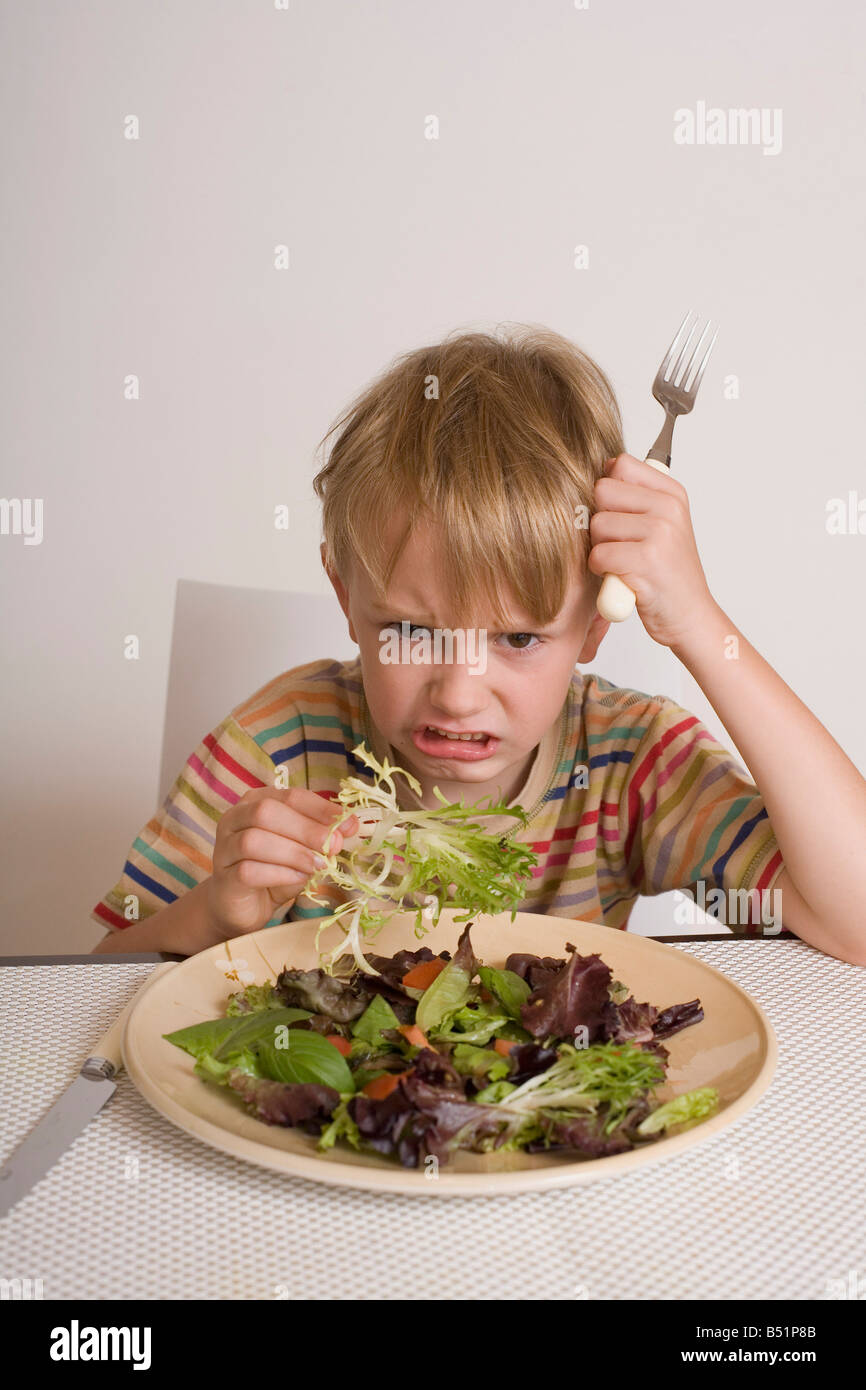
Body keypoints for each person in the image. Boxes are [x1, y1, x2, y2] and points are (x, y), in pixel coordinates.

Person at [90, 325, 866, 965]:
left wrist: (698, 623)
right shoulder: (282, 741)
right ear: (344, 595)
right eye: (412, 631)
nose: (459, 692)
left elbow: (854, 923)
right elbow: (95, 976)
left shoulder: (630, 764)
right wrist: (211, 919)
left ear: (596, 623)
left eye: (520, 637)